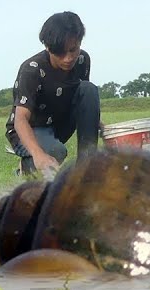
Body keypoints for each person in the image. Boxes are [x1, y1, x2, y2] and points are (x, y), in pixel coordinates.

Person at [5, 11, 101, 177]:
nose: (68, 58)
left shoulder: (82, 60)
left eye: (73, 50)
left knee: (88, 88)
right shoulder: (32, 69)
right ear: (48, 48)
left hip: (58, 123)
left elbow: (83, 99)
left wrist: (98, 124)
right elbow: (20, 120)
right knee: (55, 151)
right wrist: (38, 154)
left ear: (80, 42)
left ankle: (87, 169)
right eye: (60, 53)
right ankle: (25, 167)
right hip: (30, 128)